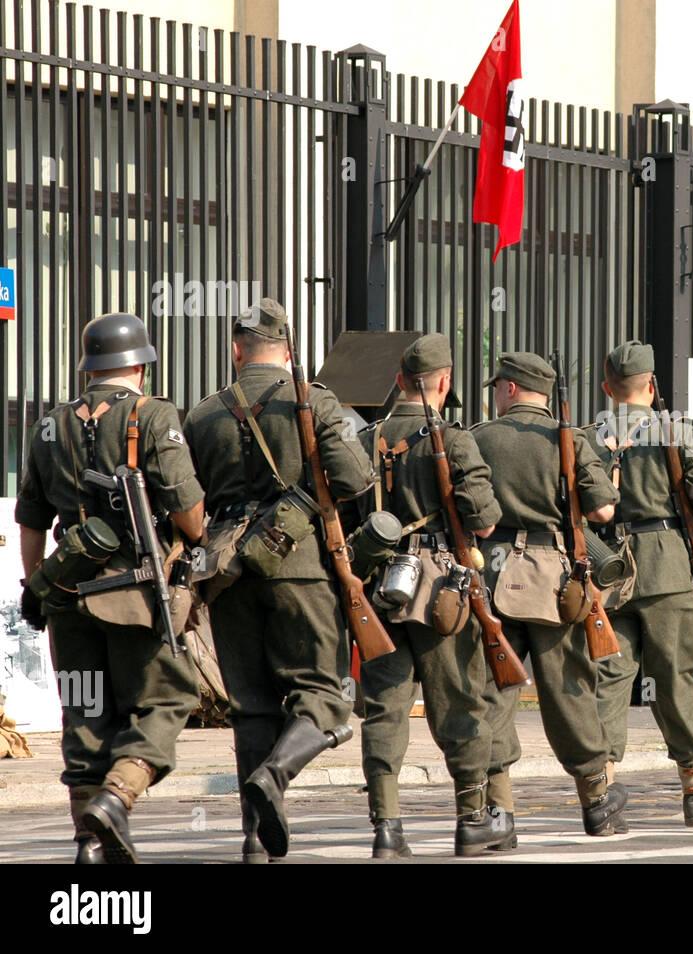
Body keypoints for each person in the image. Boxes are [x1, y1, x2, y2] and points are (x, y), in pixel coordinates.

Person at [183, 299, 374, 861]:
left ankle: (252, 840)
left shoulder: (201, 414)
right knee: (322, 697)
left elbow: (186, 498)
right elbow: (356, 477)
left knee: (252, 705)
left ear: (237, 350)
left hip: (228, 572)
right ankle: (274, 776)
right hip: (301, 569)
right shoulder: (312, 400)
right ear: (288, 350)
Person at [16, 313, 205, 863]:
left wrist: (38, 587)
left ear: (89, 367)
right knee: (166, 701)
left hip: (67, 600)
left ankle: (87, 845)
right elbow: (187, 508)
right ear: (142, 365)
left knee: (85, 716)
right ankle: (117, 799)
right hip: (135, 599)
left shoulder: (49, 425)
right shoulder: (153, 414)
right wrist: (194, 532)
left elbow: (30, 521)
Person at [348, 333, 512, 856]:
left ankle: (387, 828)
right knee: (461, 703)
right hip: (442, 589)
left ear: (398, 382)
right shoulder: (455, 438)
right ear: (445, 382)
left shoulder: (364, 438)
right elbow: (484, 523)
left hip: (380, 590)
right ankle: (471, 819)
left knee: (385, 710)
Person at [584, 341, 693, 826]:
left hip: (608, 571)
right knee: (674, 682)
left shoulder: (591, 436)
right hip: (666, 569)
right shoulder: (677, 432)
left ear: (607, 389)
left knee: (609, 680)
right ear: (652, 385)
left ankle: (600, 793)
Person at [472, 352, 625, 836]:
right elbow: (602, 513)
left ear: (512, 388)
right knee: (569, 692)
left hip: (491, 578)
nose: (495, 393)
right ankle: (596, 798)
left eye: (498, 385)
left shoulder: (478, 437)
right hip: (553, 582)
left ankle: (498, 810)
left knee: (496, 690)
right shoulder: (570, 439)